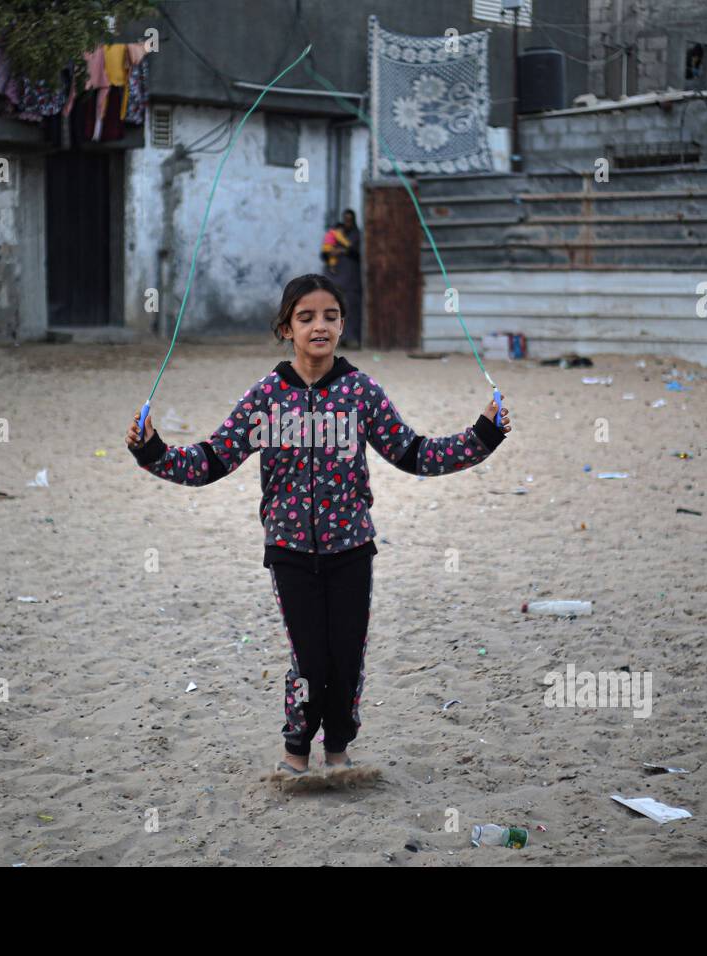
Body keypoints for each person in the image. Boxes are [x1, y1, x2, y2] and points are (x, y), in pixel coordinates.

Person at [126, 273, 510, 776]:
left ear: (343, 324)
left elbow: (415, 453)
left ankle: (339, 754)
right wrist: (151, 450)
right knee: (310, 661)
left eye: (330, 316)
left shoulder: (360, 391)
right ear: (286, 328)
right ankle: (295, 755)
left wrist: (482, 434)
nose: (319, 326)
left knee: (346, 659)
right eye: (306, 317)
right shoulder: (266, 396)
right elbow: (212, 460)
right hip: (288, 550)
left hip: (352, 549)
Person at [332, 209, 363, 348]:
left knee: (353, 310)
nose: (347, 223)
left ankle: (352, 339)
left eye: (350, 220)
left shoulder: (357, 235)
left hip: (352, 280)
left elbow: (356, 252)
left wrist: (344, 251)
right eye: (346, 219)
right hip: (339, 280)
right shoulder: (338, 236)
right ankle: (341, 338)